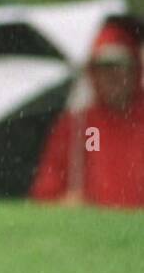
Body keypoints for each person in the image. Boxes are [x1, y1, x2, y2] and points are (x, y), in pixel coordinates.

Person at [30, 17, 144, 208]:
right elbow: (45, 193)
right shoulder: (79, 126)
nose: (112, 75)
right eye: (104, 67)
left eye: (120, 66)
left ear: (135, 70)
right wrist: (64, 203)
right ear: (92, 72)